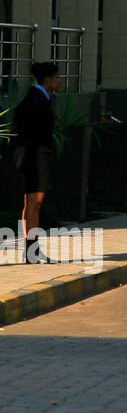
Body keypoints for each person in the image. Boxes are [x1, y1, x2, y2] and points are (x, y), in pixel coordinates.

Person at [12, 61, 60, 264]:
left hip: (34, 154)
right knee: (34, 203)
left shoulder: (41, 98)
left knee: (32, 203)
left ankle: (31, 250)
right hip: (34, 155)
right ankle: (32, 251)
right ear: (47, 80)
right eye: (57, 77)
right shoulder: (35, 99)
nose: (59, 81)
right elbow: (26, 127)